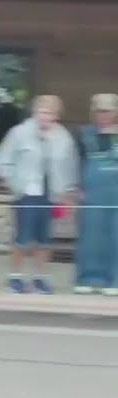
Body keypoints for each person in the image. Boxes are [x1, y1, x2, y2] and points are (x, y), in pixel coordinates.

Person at [0, 94, 78, 294]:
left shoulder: (63, 137)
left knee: (45, 239)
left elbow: (70, 165)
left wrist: (67, 192)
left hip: (52, 194)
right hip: (27, 192)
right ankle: (15, 276)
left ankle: (41, 277)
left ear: (57, 115)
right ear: (34, 112)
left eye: (49, 113)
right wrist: (11, 183)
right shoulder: (19, 132)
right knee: (23, 238)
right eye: (42, 111)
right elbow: (2, 160)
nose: (45, 116)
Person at [73, 93, 118, 295]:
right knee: (90, 236)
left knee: (115, 236)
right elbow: (76, 162)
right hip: (91, 192)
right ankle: (87, 279)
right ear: (94, 112)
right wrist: (77, 186)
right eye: (100, 111)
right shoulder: (84, 134)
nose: (104, 115)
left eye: (108, 111)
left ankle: (114, 281)